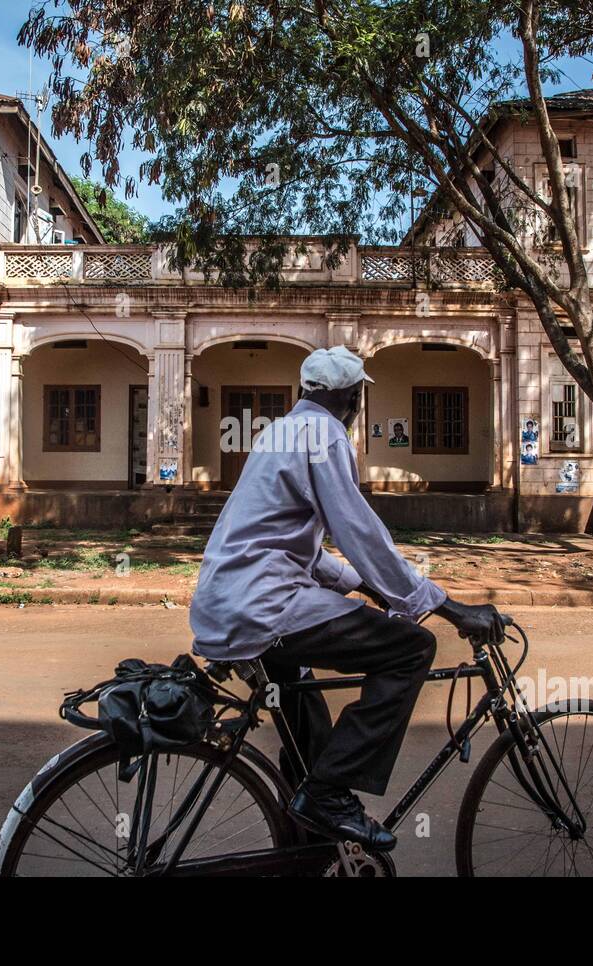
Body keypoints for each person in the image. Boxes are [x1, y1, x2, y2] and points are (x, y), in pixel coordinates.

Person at [190, 345, 504, 852]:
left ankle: (306, 848)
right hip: (264, 605)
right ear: (351, 396)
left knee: (307, 721)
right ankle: (329, 798)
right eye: (359, 397)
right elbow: (357, 529)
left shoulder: (281, 432)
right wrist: (445, 606)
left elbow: (294, 542)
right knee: (411, 649)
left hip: (230, 599)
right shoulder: (325, 433)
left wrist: (360, 585)